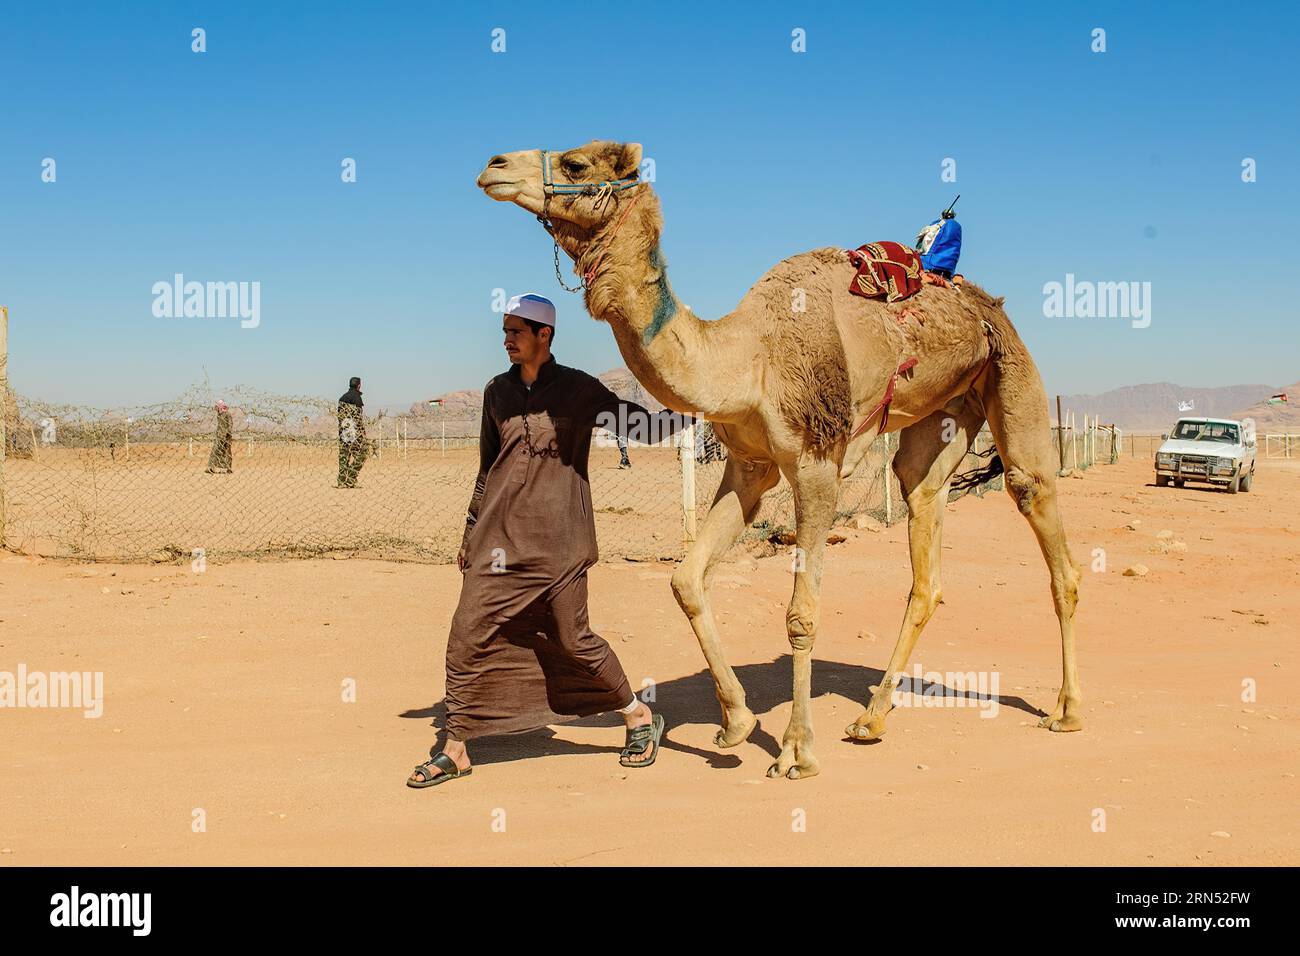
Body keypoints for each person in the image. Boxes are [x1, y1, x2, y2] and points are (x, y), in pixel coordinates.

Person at [408, 293, 691, 788]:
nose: (507, 340)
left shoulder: (579, 390)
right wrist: (470, 532)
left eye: (517, 331)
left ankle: (638, 717)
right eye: (504, 331)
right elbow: (485, 469)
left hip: (560, 545)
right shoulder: (497, 393)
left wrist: (700, 402)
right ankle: (456, 749)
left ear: (545, 335)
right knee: (466, 636)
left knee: (573, 638)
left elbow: (642, 427)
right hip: (498, 545)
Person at [915, 198, 963, 281]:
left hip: (932, 262)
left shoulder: (938, 224)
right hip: (949, 266)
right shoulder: (956, 226)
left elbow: (927, 238)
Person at [337, 376, 368, 488]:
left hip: (344, 431)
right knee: (363, 453)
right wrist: (362, 433)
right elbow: (357, 418)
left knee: (344, 455)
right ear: (359, 385)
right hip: (355, 432)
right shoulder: (357, 398)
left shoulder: (342, 398)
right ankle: (351, 477)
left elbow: (340, 417)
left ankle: (341, 481)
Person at [205, 400, 233, 474]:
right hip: (219, 436)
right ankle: (211, 467)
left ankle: (227, 468)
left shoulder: (227, 414)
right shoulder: (219, 415)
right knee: (215, 451)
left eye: (217, 406)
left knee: (226, 452)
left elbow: (230, 425)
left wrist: (226, 434)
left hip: (226, 437)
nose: (216, 408)